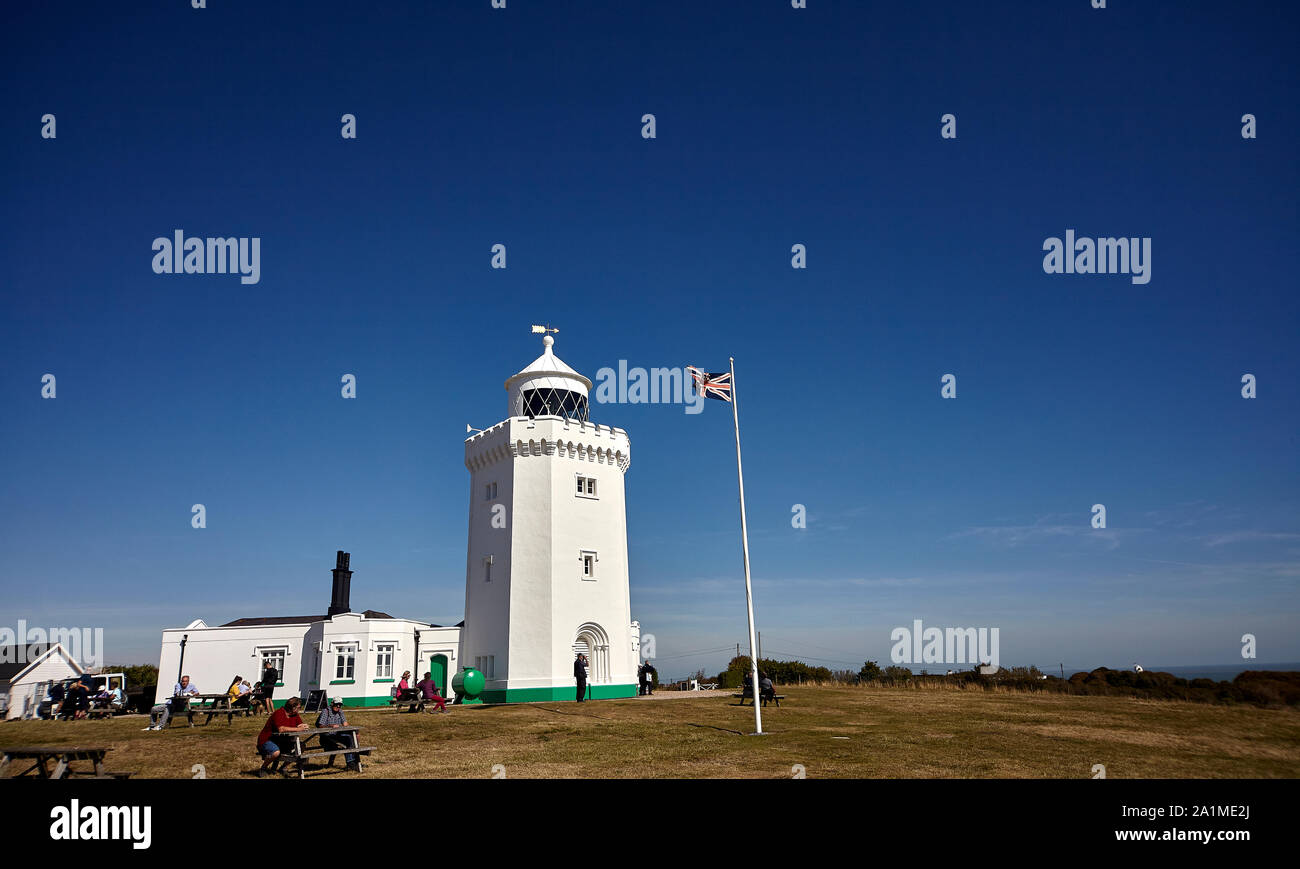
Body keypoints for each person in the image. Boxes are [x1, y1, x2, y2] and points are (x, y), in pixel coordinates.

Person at [257, 695, 309, 777]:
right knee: (275, 752)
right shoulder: (279, 713)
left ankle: (283, 767)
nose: (299, 709)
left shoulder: (295, 714)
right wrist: (298, 729)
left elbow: (299, 724)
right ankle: (263, 768)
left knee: (301, 746)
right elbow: (281, 729)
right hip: (268, 740)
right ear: (293, 707)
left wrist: (303, 726)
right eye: (298, 707)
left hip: (283, 741)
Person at [315, 697, 360, 770]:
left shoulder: (340, 711)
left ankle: (355, 761)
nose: (338, 706)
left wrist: (350, 728)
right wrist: (331, 726)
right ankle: (351, 763)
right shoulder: (325, 711)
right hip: (327, 736)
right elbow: (320, 726)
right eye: (337, 704)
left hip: (337, 734)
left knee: (353, 735)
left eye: (340, 705)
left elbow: (345, 723)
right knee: (348, 739)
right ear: (332, 703)